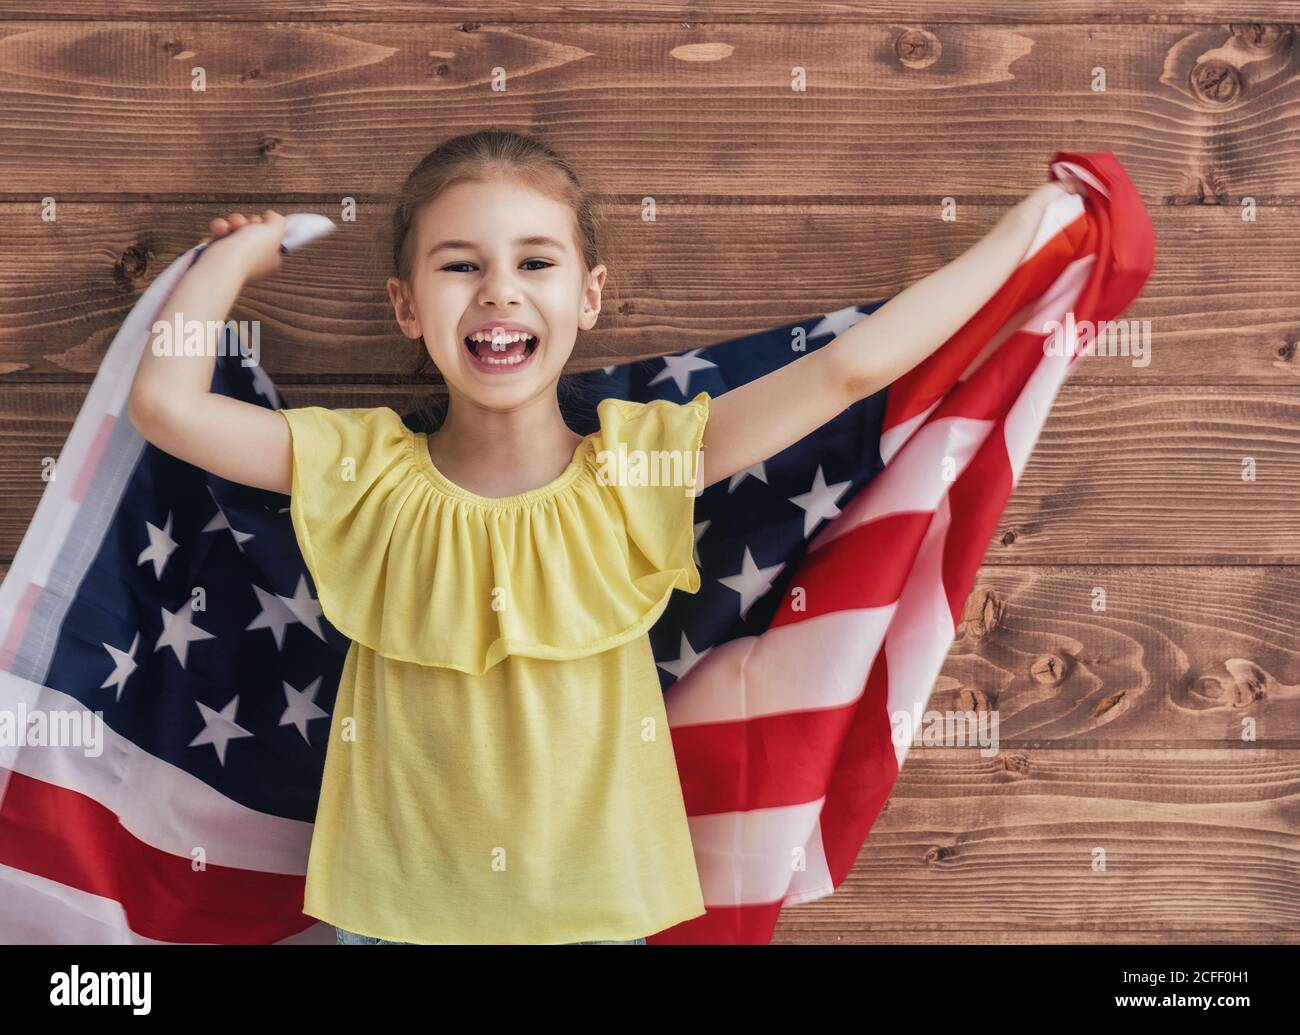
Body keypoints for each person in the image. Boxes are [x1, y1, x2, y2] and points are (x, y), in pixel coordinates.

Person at [127, 128, 1075, 944]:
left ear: (589, 294)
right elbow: (165, 406)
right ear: (406, 306)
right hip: (396, 914)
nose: (499, 292)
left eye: (535, 261)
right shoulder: (359, 466)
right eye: (461, 264)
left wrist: (1029, 233)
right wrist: (229, 263)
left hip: (597, 912)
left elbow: (848, 372)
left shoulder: (641, 463)